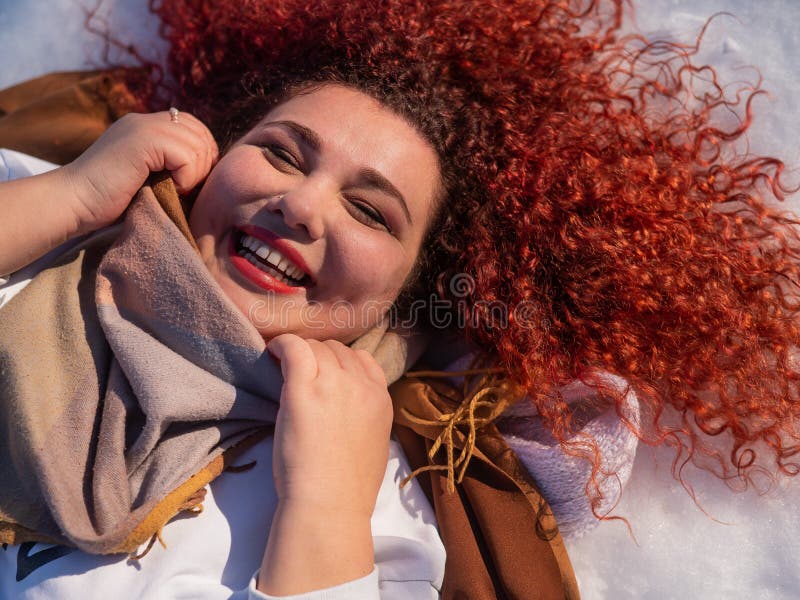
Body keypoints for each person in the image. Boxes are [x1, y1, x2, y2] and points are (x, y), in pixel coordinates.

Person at [1, 0, 799, 598]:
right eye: (281, 153)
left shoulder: (381, 499)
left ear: (405, 295)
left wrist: (325, 508)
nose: (301, 206)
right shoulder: (47, 229)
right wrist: (70, 197)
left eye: (369, 211)